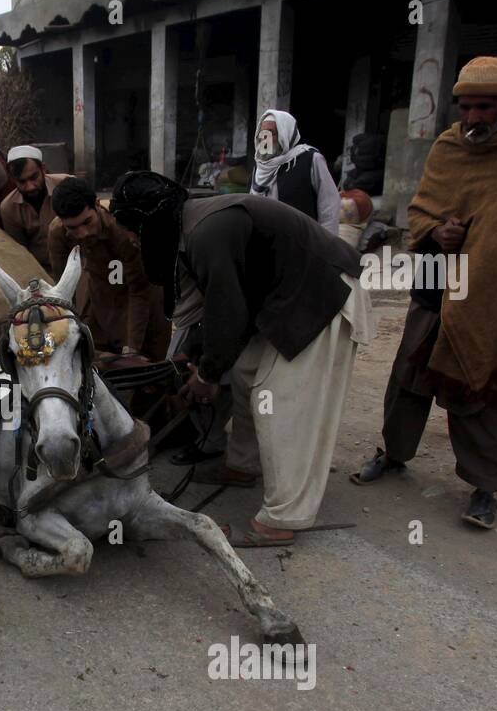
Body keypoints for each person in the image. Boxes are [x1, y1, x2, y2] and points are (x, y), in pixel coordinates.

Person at [351, 57, 497, 529]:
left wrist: (487, 250)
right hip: (437, 290)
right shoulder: (448, 147)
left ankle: (484, 489)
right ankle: (394, 454)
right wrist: (439, 234)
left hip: (493, 303)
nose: (474, 117)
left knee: (480, 392)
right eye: (467, 107)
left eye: (484, 107)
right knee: (408, 382)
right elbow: (421, 212)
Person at [110, 170, 374, 547]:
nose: (134, 240)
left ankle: (284, 518)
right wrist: (200, 357)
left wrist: (207, 374)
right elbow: (222, 306)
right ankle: (243, 464)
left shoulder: (204, 233)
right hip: (286, 294)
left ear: (148, 221)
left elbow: (227, 309)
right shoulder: (192, 227)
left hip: (323, 291)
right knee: (249, 375)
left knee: (283, 403)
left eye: (133, 230)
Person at [46, 176, 170, 363]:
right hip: (100, 301)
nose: (83, 233)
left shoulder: (123, 230)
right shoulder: (57, 233)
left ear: (97, 205)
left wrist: (132, 349)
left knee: (145, 372)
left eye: (87, 222)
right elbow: (63, 289)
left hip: (144, 303)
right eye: (73, 227)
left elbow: (139, 291)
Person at [250, 109, 340, 236]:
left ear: (284, 134)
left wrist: (327, 242)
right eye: (262, 133)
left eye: (271, 133)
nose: (265, 139)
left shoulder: (310, 159)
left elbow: (329, 204)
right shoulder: (260, 166)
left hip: (302, 242)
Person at [0, 145, 71, 273]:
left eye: (33, 178)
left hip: (76, 265)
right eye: (22, 182)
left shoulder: (67, 185)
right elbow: (21, 253)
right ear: (13, 179)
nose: (30, 187)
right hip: (41, 271)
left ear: (43, 169)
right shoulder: (8, 208)